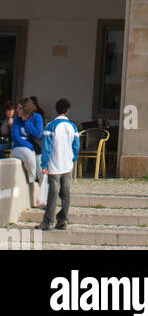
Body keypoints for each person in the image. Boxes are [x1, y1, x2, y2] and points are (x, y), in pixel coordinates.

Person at [39, 98, 80, 231]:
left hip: (54, 164)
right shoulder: (72, 126)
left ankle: (48, 221)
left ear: (56, 110)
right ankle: (62, 220)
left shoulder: (50, 126)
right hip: (67, 164)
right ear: (68, 110)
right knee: (65, 193)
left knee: (52, 193)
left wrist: (44, 164)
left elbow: (46, 147)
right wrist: (73, 158)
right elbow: (76, 146)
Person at [10, 99, 42, 185]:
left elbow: (38, 134)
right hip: (20, 146)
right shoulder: (16, 120)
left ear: (26, 109)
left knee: (41, 170)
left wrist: (27, 122)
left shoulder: (37, 117)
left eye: (20, 108)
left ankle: (42, 195)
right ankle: (32, 179)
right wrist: (30, 147)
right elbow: (16, 138)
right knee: (29, 156)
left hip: (37, 148)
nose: (17, 110)